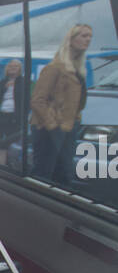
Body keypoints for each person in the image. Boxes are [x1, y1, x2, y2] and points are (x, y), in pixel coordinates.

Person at [30, 24, 92, 185]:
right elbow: (37, 100)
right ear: (71, 40)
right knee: (44, 174)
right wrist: (52, 125)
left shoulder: (78, 70)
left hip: (69, 127)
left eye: (90, 36)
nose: (88, 39)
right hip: (49, 128)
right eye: (84, 36)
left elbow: (78, 103)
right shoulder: (54, 68)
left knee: (63, 175)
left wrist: (74, 120)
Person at [0, 59, 26, 168]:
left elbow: (26, 101)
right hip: (0, 116)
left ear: (20, 69)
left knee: (10, 142)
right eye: (11, 66)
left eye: (16, 66)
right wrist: (4, 88)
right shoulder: (2, 82)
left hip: (14, 118)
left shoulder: (23, 82)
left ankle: (9, 164)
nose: (13, 68)